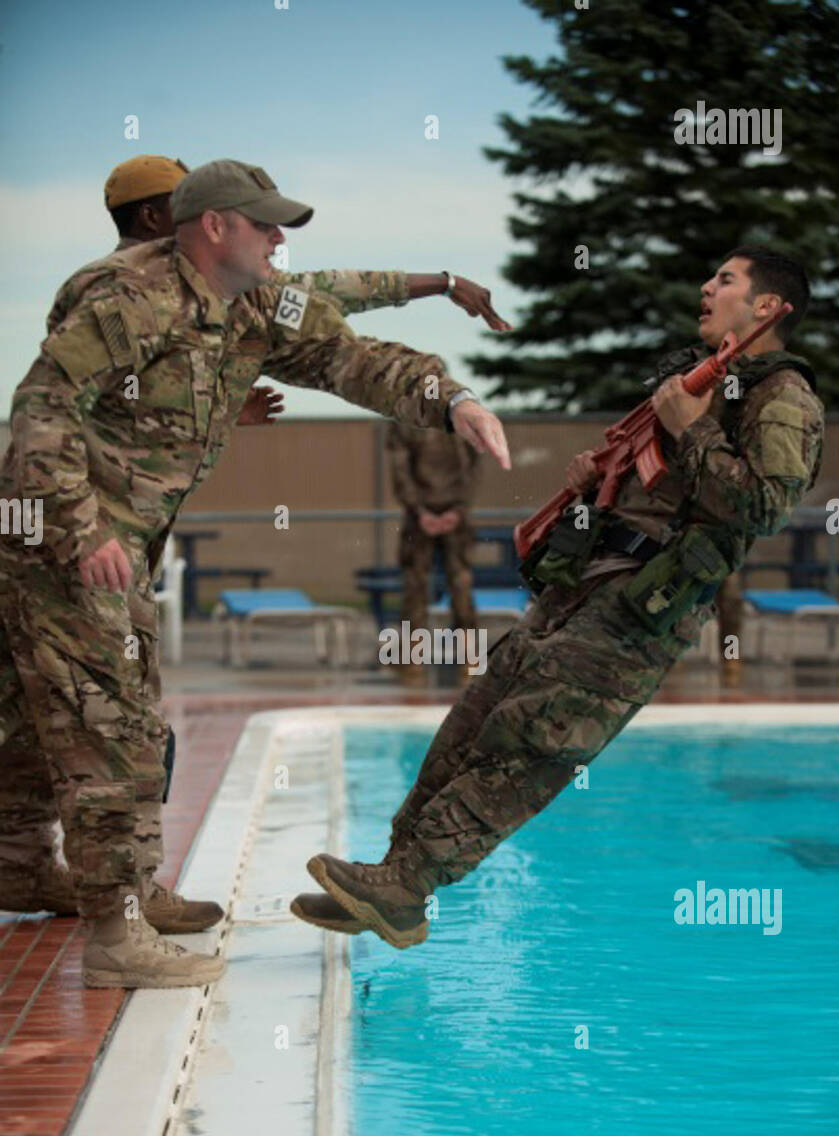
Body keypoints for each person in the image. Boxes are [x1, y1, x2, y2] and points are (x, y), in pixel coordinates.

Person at [0, 158, 511, 988]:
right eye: (266, 225)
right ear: (212, 227)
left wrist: (450, 399)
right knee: (114, 723)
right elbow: (40, 411)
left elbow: (354, 356)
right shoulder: (130, 299)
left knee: (32, 710)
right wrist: (78, 530)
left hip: (114, 540)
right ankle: (117, 929)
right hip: (61, 542)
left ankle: (27, 867)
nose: (280, 240)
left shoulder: (260, 302)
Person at [293, 247, 824, 948]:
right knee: (472, 726)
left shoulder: (781, 396)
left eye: (724, 279)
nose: (705, 286)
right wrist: (593, 484)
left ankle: (409, 884)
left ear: (766, 307)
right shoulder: (702, 379)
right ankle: (392, 877)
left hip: (639, 612)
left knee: (531, 741)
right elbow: (662, 486)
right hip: (582, 588)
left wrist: (688, 425)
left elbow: (759, 507)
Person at [386, 419, 481, 687]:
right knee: (461, 582)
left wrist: (419, 510)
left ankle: (413, 663)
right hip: (449, 513)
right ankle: (469, 661)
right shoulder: (460, 415)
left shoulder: (405, 420)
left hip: (422, 516)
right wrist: (459, 509)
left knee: (417, 586)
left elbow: (400, 469)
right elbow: (472, 468)